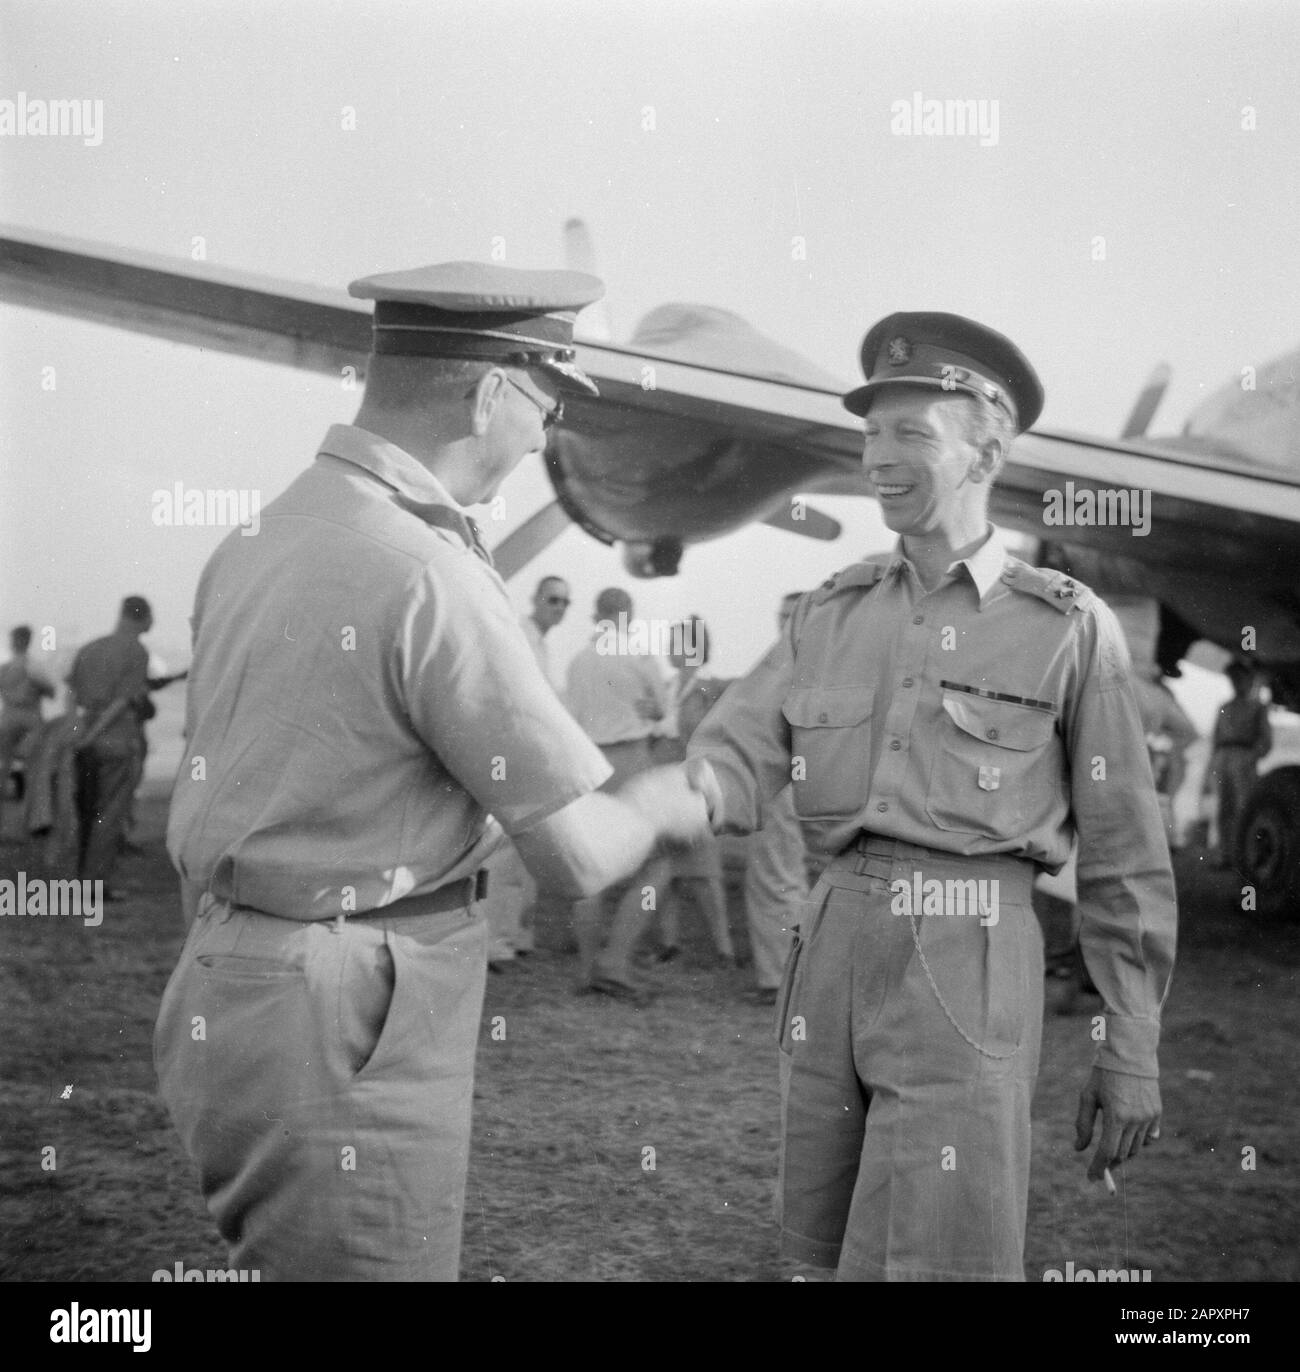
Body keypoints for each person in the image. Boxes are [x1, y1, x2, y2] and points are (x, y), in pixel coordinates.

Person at [154, 262, 711, 1282]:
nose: (546, 437)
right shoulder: (428, 569)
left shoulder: (263, 533)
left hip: (228, 978)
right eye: (546, 401)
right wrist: (670, 799)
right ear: (491, 390)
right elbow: (577, 857)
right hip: (343, 1010)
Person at [687, 311, 1176, 1281]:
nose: (876, 457)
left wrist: (1129, 1043)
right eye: (869, 433)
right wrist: (643, 803)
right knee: (815, 1247)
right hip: (828, 940)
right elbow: (731, 756)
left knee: (938, 1250)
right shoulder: (829, 612)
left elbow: (1125, 858)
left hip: (969, 939)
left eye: (909, 433)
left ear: (987, 448)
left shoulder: (1066, 629)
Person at [564, 586, 673, 1002]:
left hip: (590, 765)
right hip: (631, 762)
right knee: (655, 867)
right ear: (627, 615)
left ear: (596, 614)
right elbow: (661, 710)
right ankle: (615, 962)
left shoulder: (578, 662)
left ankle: (589, 969)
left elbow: (570, 719)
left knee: (589, 872)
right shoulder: (639, 656)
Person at [481, 572, 573, 968]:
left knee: (525, 857)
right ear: (535, 599)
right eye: (553, 600)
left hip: (535, 759)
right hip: (513, 756)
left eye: (565, 603)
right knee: (504, 857)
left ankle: (517, 936)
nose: (559, 608)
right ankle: (493, 944)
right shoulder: (519, 635)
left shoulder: (544, 645)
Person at [651, 617, 735, 966]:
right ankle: (668, 943)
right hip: (661, 780)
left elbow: (710, 737)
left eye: (675, 643)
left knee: (703, 870)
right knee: (662, 865)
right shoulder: (664, 686)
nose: (669, 650)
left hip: (693, 782)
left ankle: (724, 948)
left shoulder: (709, 688)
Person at [741, 593, 811, 1005]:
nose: (784, 623)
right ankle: (783, 974)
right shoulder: (793, 658)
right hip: (780, 779)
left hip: (783, 779)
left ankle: (781, 978)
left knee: (778, 877)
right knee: (782, 875)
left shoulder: (794, 661)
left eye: (791, 616)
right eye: (781, 615)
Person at [65, 596, 153, 893]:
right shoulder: (137, 651)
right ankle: (94, 886)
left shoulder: (90, 647)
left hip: (83, 740)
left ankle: (76, 880)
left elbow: (72, 697)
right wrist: (93, 734)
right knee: (109, 813)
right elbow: (121, 702)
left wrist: (78, 732)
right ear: (142, 617)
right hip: (115, 741)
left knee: (84, 811)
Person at [1211, 660, 1271, 869]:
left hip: (1244, 756)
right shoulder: (1225, 707)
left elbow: (1265, 740)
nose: (1237, 683)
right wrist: (1213, 764)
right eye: (1233, 678)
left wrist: (1253, 756)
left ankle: (1245, 857)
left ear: (1249, 680)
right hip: (1223, 756)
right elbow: (1216, 738)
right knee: (1223, 809)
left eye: (1241, 678)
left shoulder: (1257, 707)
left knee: (1244, 807)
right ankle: (1224, 856)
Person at [0, 624, 55, 805]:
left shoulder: (5, 668)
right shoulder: (34, 667)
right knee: (35, 762)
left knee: (4, 762)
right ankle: (32, 805)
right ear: (28, 642)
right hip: (30, 716)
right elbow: (51, 692)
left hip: (8, 716)